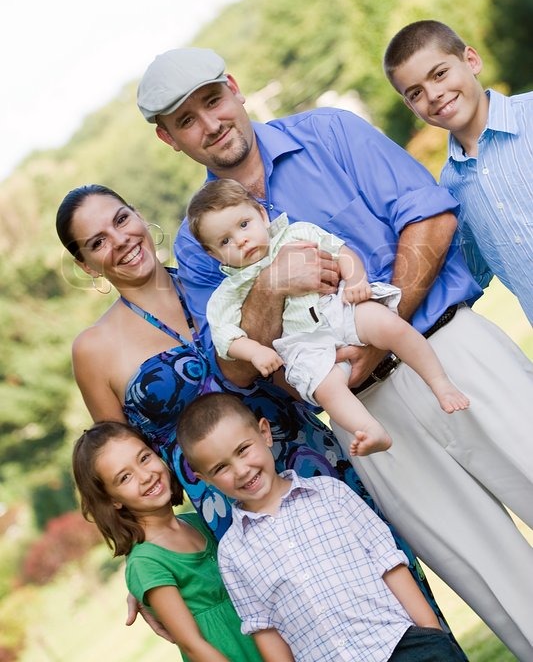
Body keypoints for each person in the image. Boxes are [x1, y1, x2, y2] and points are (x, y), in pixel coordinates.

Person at [136, 46, 533, 660]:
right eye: (187, 120)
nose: (210, 124)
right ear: (168, 139)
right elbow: (238, 369)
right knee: (500, 583)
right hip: (367, 420)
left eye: (213, 102)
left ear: (235, 89)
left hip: (448, 350)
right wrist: (271, 285)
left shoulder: (330, 134)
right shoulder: (198, 243)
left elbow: (429, 220)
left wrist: (375, 333)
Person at [56, 184, 446, 643]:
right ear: (85, 265)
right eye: (97, 241)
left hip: (312, 466)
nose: (119, 240)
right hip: (232, 510)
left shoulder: (229, 276)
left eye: (121, 220)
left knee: (396, 599)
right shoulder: (94, 349)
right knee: (315, 635)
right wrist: (147, 572)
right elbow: (118, 467)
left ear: (140, 216)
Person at [187, 178, 469, 457]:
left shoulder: (297, 234)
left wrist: (356, 278)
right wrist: (256, 351)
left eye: (244, 224)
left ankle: (440, 383)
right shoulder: (228, 293)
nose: (241, 240)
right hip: (303, 344)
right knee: (327, 389)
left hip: (338, 307)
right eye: (225, 241)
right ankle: (370, 429)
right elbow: (226, 337)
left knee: (388, 323)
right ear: (214, 254)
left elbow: (342, 252)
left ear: (261, 214)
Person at [176, 392, 466, 662]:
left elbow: (389, 565)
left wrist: (431, 635)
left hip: (397, 645)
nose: (241, 470)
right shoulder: (232, 553)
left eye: (243, 450)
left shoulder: (331, 494)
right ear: (205, 479)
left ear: (264, 433)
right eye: (221, 468)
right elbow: (265, 630)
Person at [71, 420, 264, 661]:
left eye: (144, 458)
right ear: (112, 501)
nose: (145, 476)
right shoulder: (146, 562)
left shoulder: (197, 521)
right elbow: (192, 645)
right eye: (125, 477)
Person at [383, 18, 533, 326]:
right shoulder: (450, 189)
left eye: (439, 74)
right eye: (415, 93)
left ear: (472, 60)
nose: (434, 94)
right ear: (411, 107)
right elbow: (468, 274)